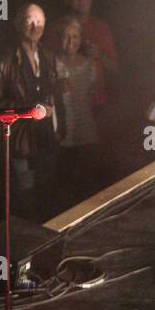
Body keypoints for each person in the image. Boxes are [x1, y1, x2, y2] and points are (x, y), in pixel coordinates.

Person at [0, 3, 61, 218]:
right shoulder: (5, 59)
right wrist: (30, 110)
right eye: (29, 20)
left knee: (48, 192)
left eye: (39, 21)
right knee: (24, 197)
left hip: (47, 137)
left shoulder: (48, 56)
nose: (34, 26)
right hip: (20, 140)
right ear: (17, 24)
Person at [50, 15, 100, 197]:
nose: (71, 41)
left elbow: (94, 98)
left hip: (86, 129)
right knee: (65, 184)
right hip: (63, 132)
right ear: (59, 38)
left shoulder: (88, 65)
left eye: (75, 37)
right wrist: (55, 88)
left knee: (87, 183)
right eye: (66, 36)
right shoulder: (52, 63)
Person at [65, 0, 117, 109]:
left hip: (98, 104)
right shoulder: (57, 29)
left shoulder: (101, 28)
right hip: (69, 105)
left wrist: (99, 54)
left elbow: (114, 68)